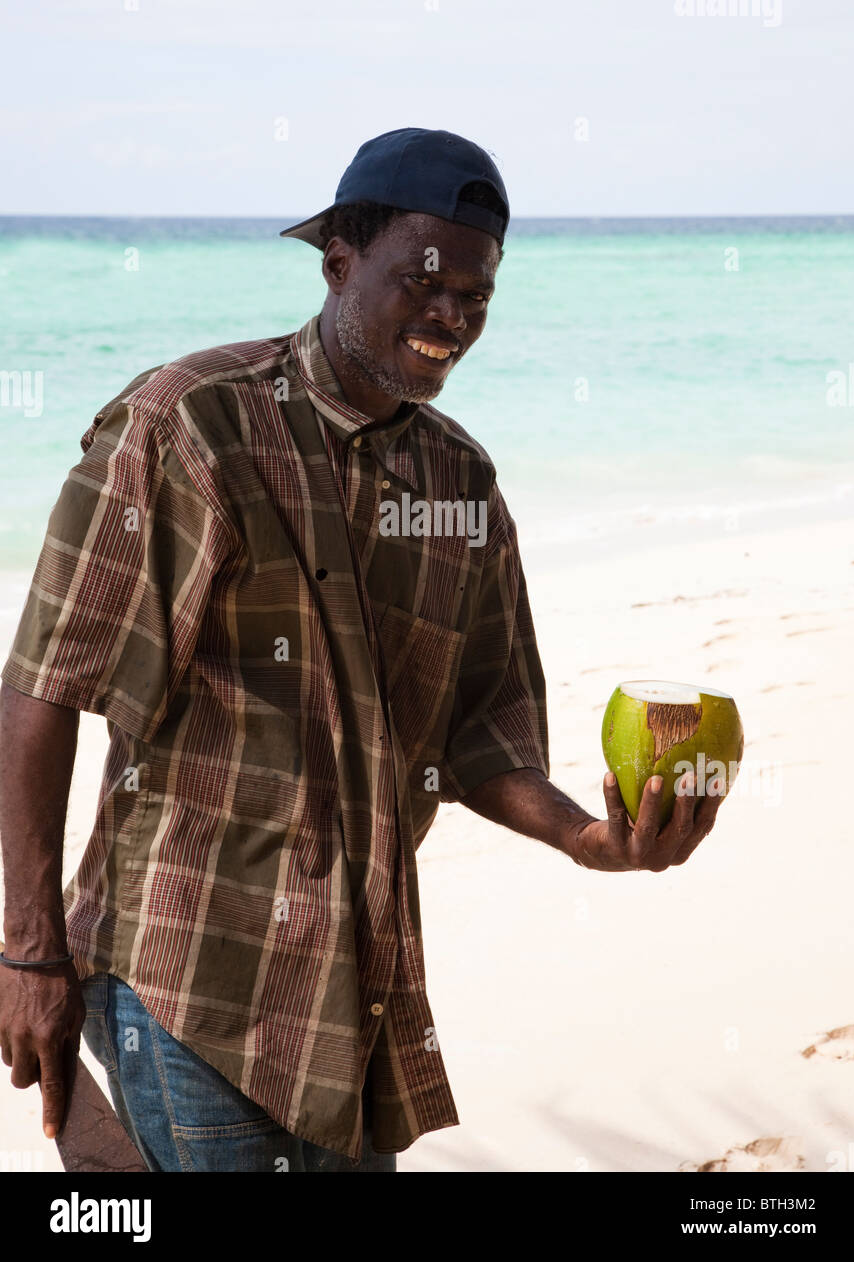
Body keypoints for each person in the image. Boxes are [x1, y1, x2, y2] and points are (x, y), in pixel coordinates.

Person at [0, 127, 721, 1173]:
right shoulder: (192, 424)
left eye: (475, 294)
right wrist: (28, 951)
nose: (451, 316)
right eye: (422, 284)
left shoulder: (460, 485)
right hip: (188, 985)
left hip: (358, 1007)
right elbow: (42, 683)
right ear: (337, 262)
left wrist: (587, 841)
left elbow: (479, 737)